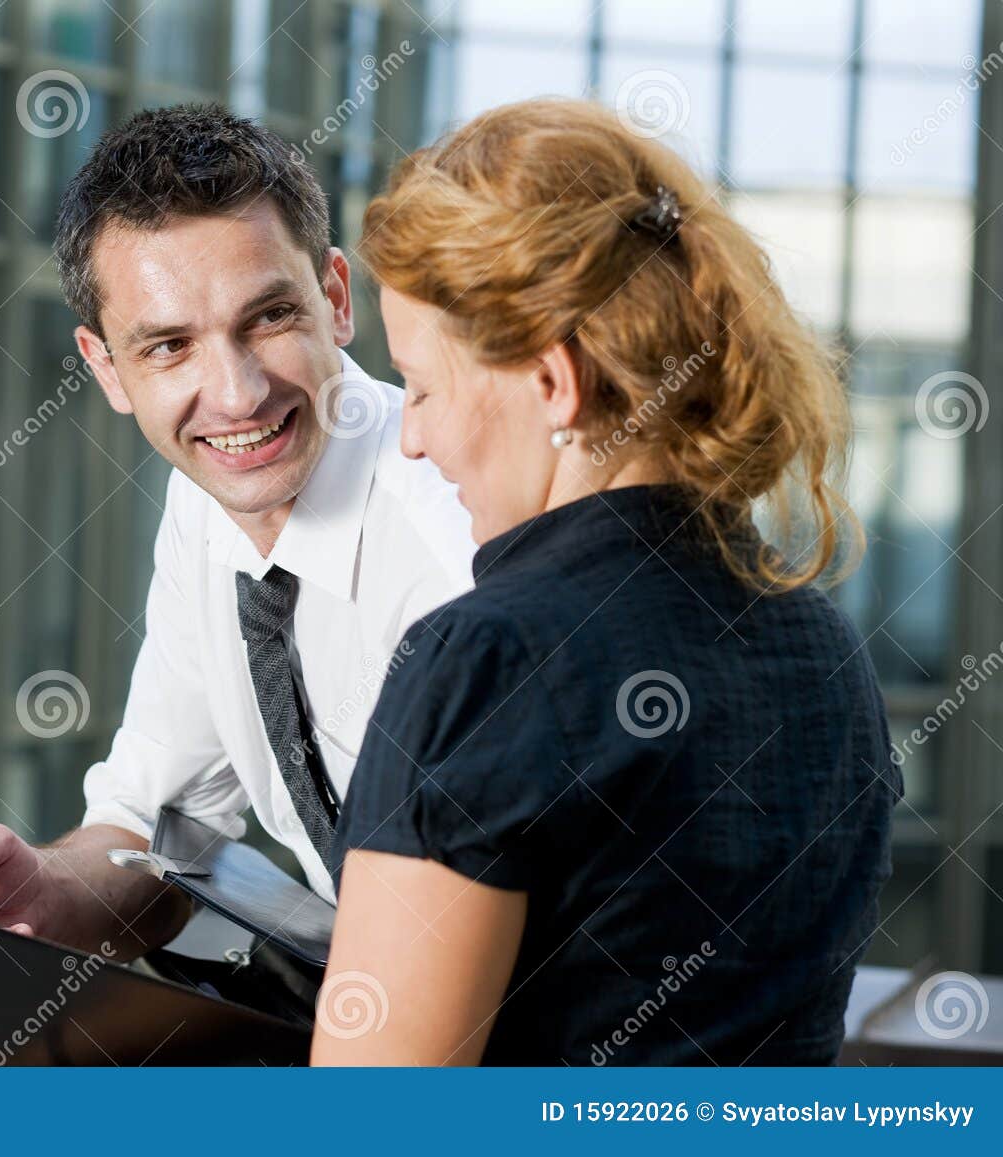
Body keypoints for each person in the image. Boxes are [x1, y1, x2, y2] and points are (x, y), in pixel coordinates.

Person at [312, 98, 901, 1066]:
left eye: (420, 386)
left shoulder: (488, 655)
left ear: (553, 384)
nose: (411, 437)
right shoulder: (820, 644)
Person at [0, 104, 475, 962]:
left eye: (268, 318)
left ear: (337, 299)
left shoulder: (452, 547)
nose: (235, 396)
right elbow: (161, 833)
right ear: (105, 367)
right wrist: (37, 890)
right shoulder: (206, 500)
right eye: (168, 346)